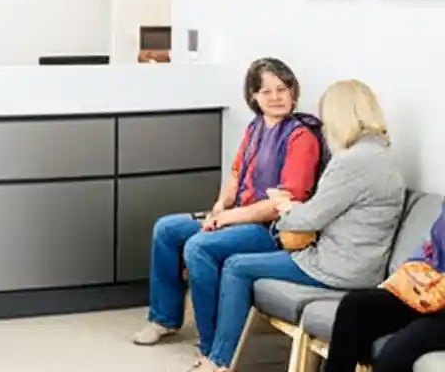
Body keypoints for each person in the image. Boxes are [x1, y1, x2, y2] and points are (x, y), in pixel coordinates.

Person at [191, 80, 407, 372]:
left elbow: (309, 218)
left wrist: (284, 207)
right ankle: (218, 355)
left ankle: (218, 362)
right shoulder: (381, 154)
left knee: (236, 267)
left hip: (339, 268)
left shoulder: (352, 162)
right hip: (360, 264)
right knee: (235, 262)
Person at [133, 58, 325, 357]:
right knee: (167, 229)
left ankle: (210, 347)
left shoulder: (301, 137)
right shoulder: (255, 127)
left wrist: (225, 218)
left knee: (199, 247)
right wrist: (219, 206)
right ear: (253, 97)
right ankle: (164, 319)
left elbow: (280, 205)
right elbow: (236, 174)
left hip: (271, 230)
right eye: (266, 91)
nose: (276, 97)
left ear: (293, 92)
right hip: (237, 217)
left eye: (282, 89)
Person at [324, 201, 445, 372]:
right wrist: (400, 282)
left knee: (394, 354)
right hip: (429, 292)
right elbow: (427, 251)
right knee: (354, 306)